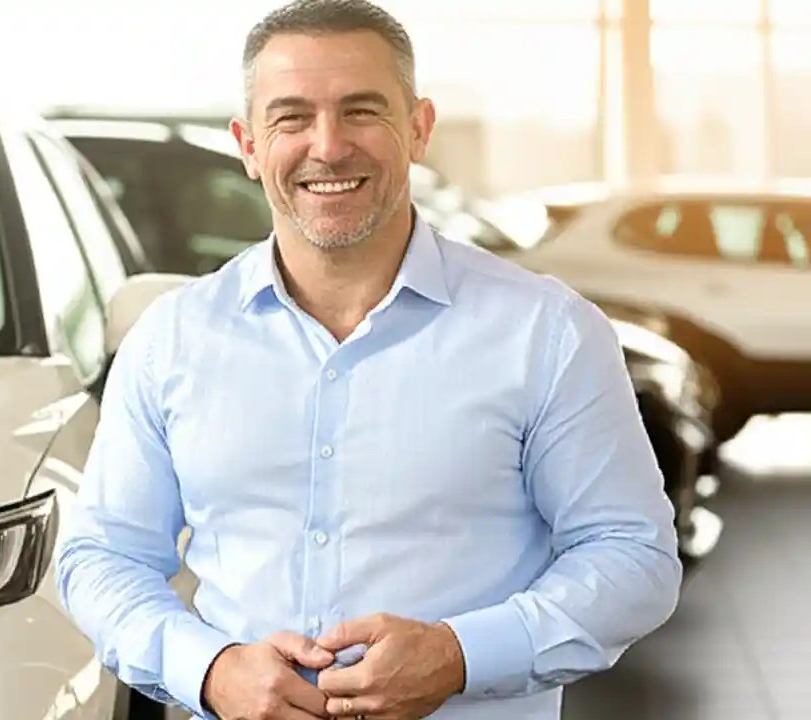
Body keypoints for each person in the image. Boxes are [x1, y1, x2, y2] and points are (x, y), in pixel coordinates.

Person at [53, 1, 682, 718]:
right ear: (249, 145)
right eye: (291, 117)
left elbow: (633, 556)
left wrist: (459, 655)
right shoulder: (172, 339)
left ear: (417, 129)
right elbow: (102, 559)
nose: (328, 146)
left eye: (361, 111)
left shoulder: (547, 331)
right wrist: (212, 670)